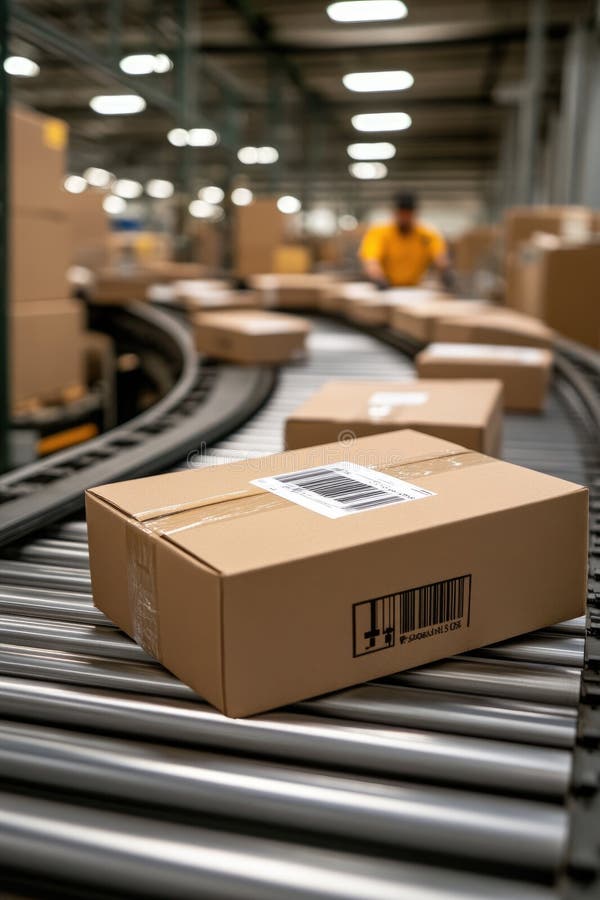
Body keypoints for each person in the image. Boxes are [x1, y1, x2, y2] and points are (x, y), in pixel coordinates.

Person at [359, 192, 452, 289]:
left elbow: (440, 257)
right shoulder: (379, 233)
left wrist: (445, 271)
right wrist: (378, 278)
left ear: (414, 213)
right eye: (401, 214)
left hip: (414, 289)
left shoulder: (427, 235)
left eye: (408, 214)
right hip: (386, 286)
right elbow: (371, 260)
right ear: (395, 213)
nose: (405, 218)